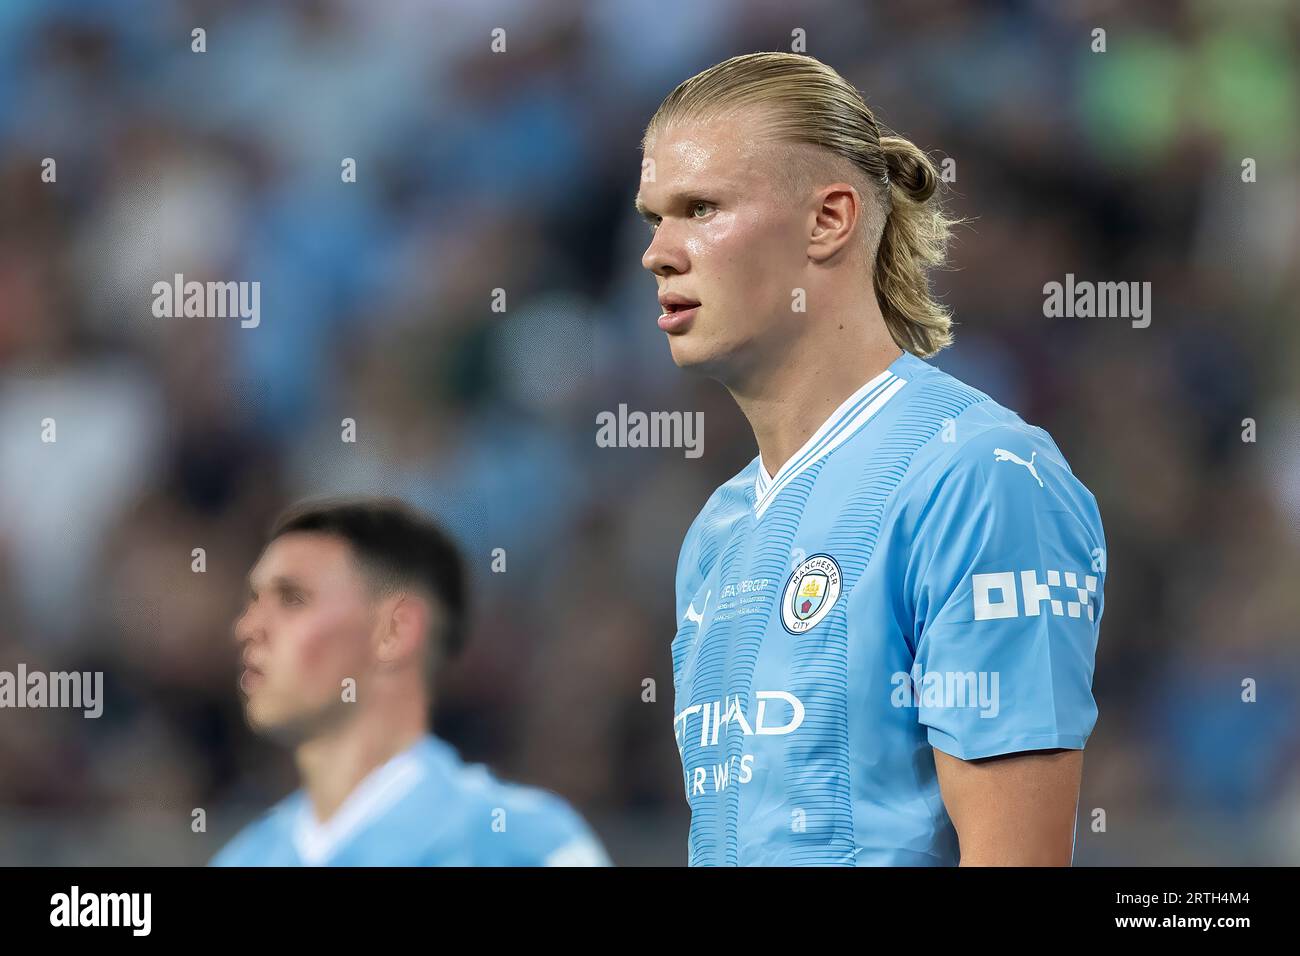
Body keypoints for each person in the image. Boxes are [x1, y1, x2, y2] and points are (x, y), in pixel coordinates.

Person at [636, 52, 1106, 865]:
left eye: (701, 208)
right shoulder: (716, 533)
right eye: (654, 219)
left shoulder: (979, 475)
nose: (659, 253)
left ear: (829, 220)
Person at [211, 497, 609, 866]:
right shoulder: (241, 860)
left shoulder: (530, 848)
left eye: (292, 598)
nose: (247, 627)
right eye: (252, 601)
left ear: (395, 631)